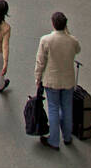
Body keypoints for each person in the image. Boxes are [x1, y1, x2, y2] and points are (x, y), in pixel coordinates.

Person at [35, 12, 81, 151]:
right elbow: (78, 49)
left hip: (52, 80)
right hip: (68, 80)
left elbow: (40, 61)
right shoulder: (72, 40)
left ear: (53, 23)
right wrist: (68, 33)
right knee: (67, 108)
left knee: (53, 108)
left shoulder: (46, 40)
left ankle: (54, 140)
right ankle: (67, 137)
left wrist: (38, 78)